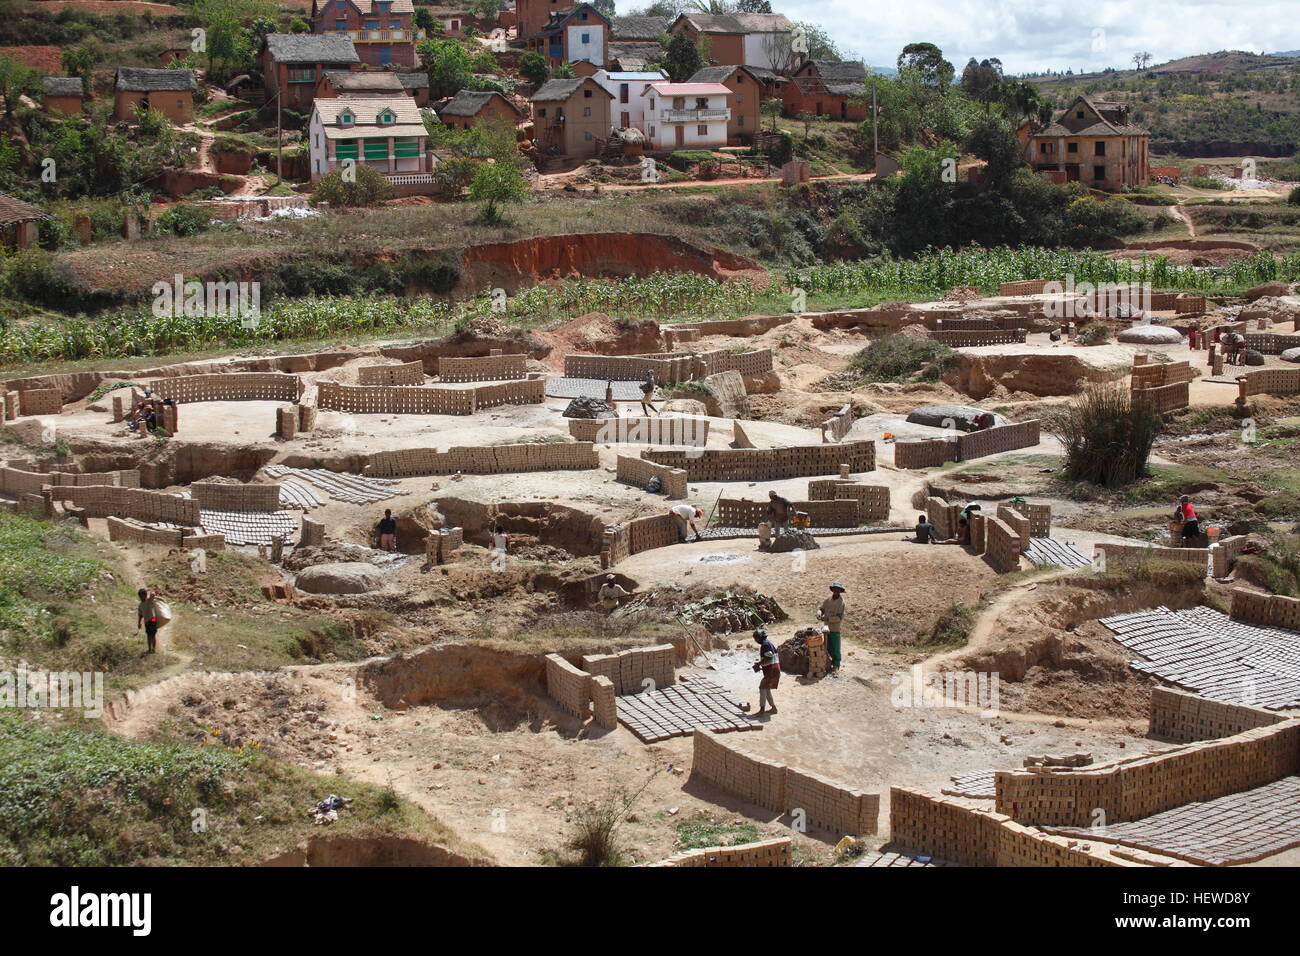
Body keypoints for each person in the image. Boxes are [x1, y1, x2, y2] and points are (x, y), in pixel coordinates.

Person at [817, 583, 847, 675]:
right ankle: (828, 664)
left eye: (838, 590)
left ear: (840, 591)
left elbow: (839, 618)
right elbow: (821, 608)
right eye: (834, 589)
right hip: (826, 628)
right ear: (832, 590)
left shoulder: (841, 603)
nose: (836, 591)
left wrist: (827, 619)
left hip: (835, 629)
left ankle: (836, 666)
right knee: (827, 646)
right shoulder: (828, 600)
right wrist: (819, 612)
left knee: (835, 649)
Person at [751, 628, 780, 715]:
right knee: (766, 689)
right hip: (773, 669)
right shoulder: (767, 643)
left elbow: (769, 656)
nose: (755, 640)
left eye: (756, 638)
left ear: (760, 637)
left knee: (762, 687)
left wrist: (759, 664)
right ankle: (773, 708)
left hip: (772, 671)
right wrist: (761, 666)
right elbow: (770, 658)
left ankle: (762, 710)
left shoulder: (765, 645)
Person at [137, 587, 160, 654]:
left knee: (152, 635)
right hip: (146, 622)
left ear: (145, 595)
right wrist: (139, 623)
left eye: (142, 596)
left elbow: (153, 593)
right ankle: (149, 649)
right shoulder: (140, 605)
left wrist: (148, 590)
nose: (141, 597)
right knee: (148, 635)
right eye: (140, 596)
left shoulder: (149, 600)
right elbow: (140, 615)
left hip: (152, 619)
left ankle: (153, 649)